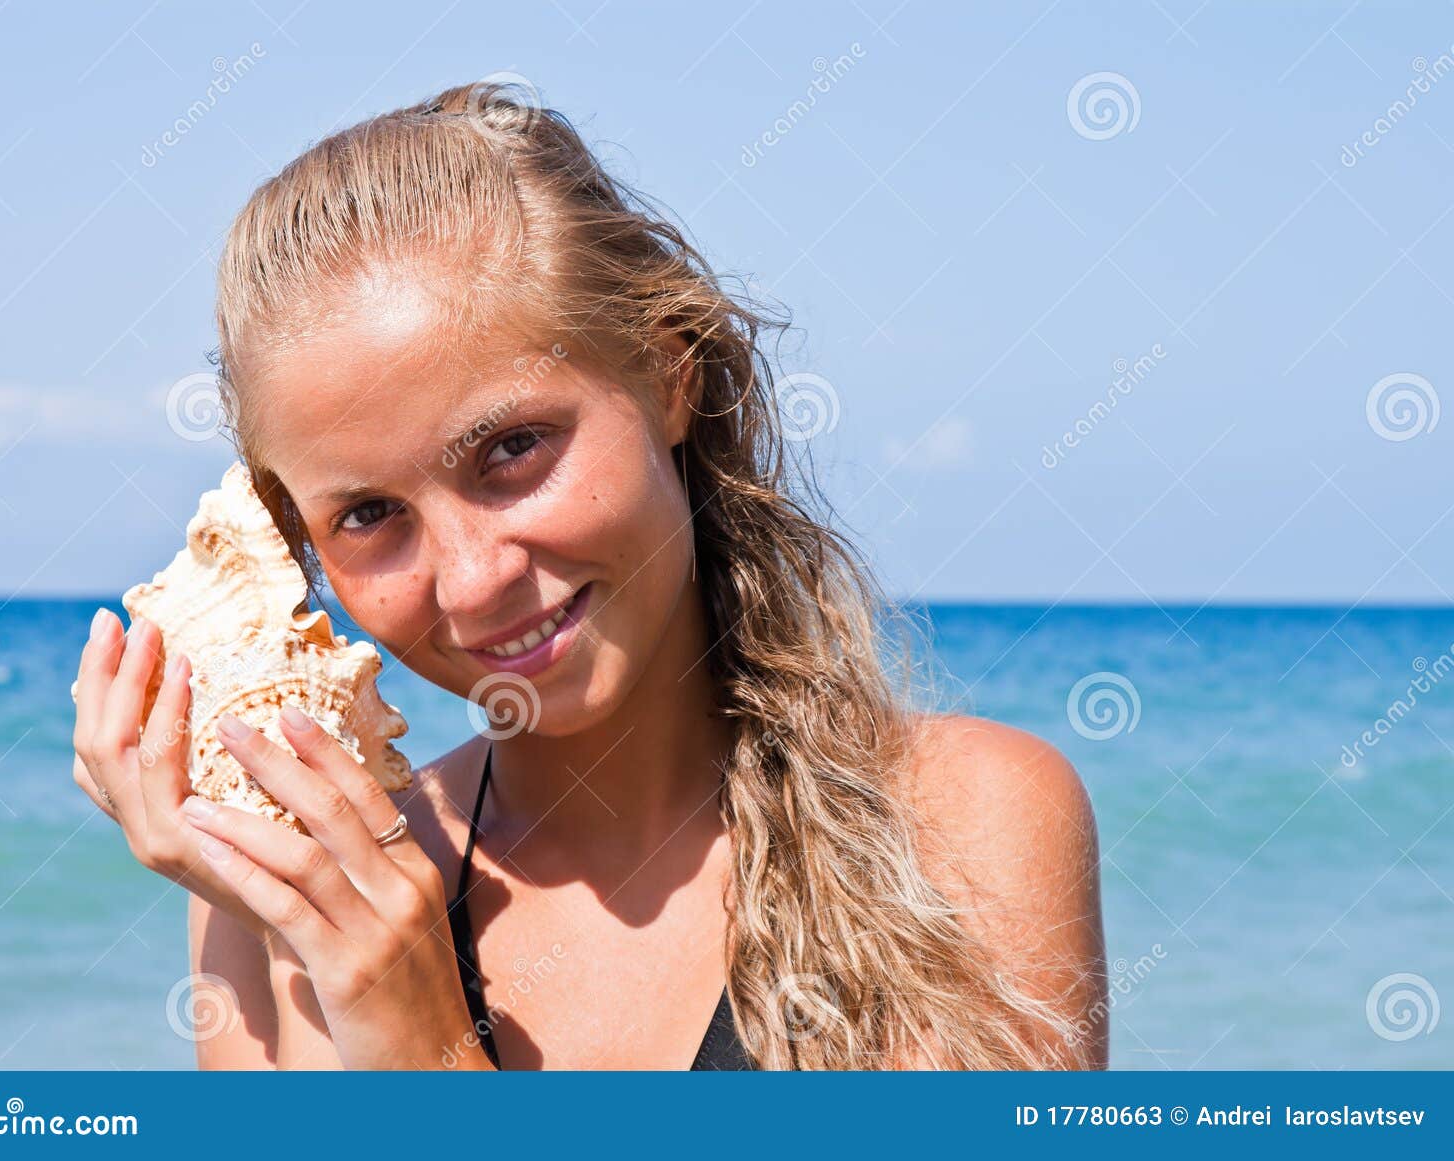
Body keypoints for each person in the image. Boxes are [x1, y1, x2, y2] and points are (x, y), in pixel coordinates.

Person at [71, 81, 1106, 1070]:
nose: (473, 581)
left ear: (667, 377)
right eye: (369, 515)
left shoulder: (958, 828)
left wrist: (416, 1040)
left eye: (512, 449)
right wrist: (301, 926)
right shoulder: (289, 893)